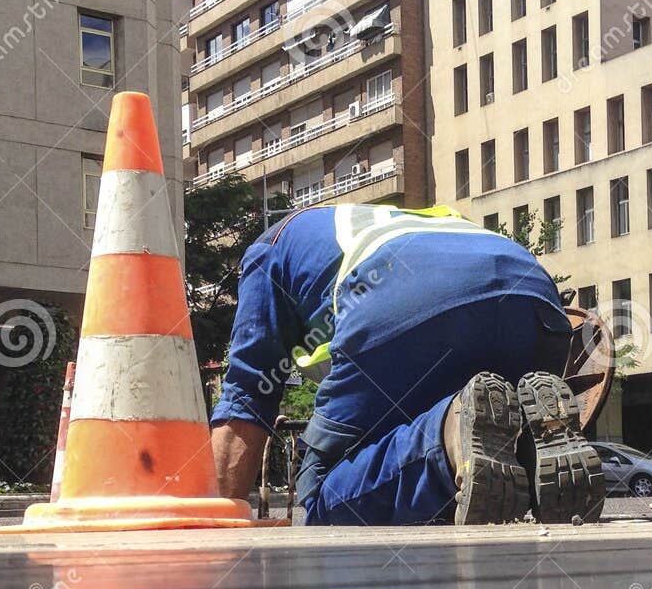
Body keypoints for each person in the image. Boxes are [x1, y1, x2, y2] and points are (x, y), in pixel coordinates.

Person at [209, 203, 606, 526]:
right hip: (536, 299)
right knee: (480, 427)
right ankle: (533, 463)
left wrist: (217, 519)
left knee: (324, 498)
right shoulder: (412, 218)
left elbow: (248, 395)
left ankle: (448, 447)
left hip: (400, 298)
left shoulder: (270, 247)